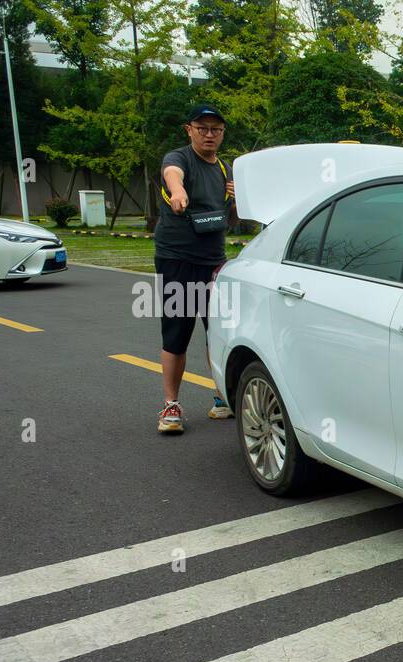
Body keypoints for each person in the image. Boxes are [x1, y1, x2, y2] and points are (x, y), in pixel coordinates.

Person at [154, 104, 236, 434]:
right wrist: (178, 190)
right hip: (178, 258)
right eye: (202, 128)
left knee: (218, 329)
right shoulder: (180, 159)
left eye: (216, 129)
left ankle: (221, 397)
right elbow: (172, 175)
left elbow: (231, 221)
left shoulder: (225, 170)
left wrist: (237, 199)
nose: (209, 134)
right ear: (189, 129)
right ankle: (170, 405)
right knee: (177, 330)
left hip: (214, 261)